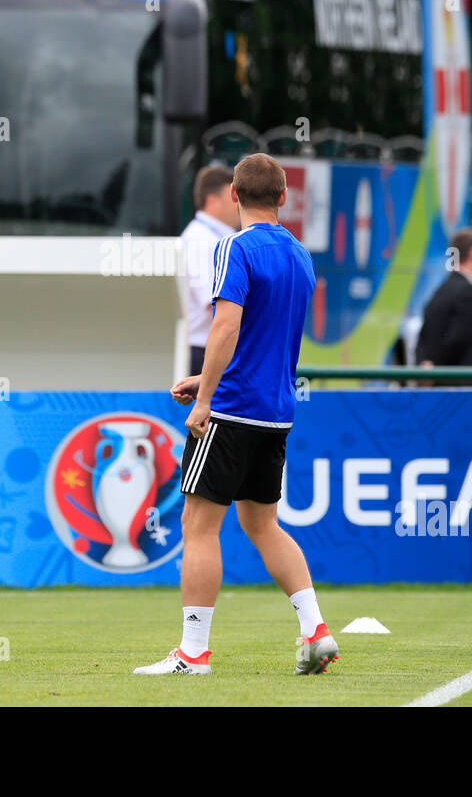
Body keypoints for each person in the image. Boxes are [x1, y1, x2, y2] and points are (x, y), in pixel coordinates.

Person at [135, 153, 337, 676]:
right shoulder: (300, 255)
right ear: (284, 196)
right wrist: (204, 380)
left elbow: (226, 328)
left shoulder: (234, 247)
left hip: (231, 410)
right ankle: (315, 629)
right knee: (264, 523)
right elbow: (266, 339)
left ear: (233, 196)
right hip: (275, 411)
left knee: (198, 526)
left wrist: (205, 400)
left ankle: (194, 653)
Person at [180, 165, 240, 376]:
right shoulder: (201, 239)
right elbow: (214, 302)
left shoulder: (207, 237)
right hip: (204, 351)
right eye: (233, 198)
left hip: (208, 348)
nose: (239, 205)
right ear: (212, 201)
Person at [415, 228, 472, 368]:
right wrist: (435, 368)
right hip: (466, 384)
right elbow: (458, 340)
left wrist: (427, 365)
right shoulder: (468, 293)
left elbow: (426, 336)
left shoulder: (443, 289)